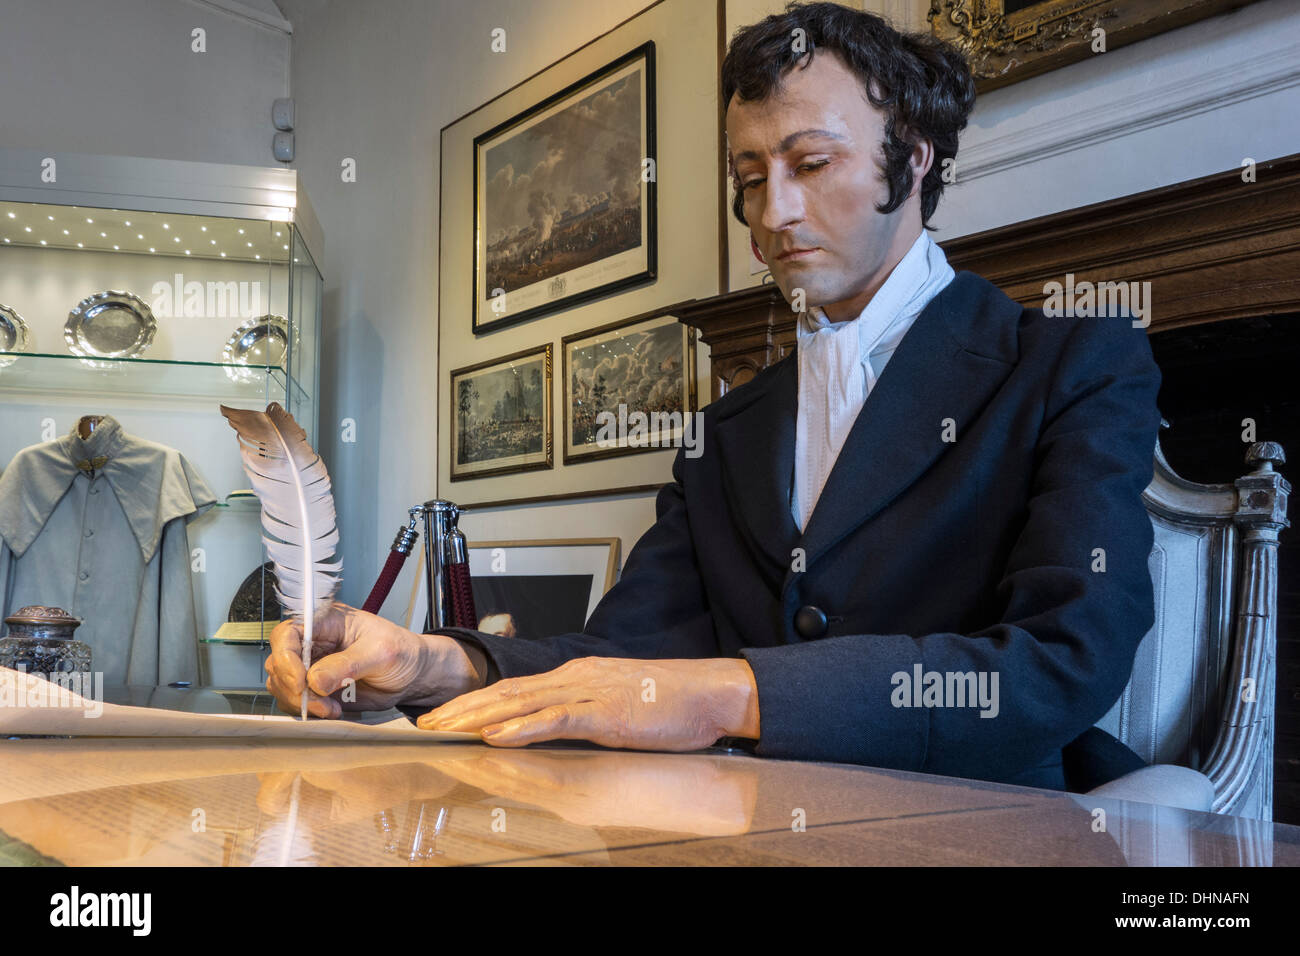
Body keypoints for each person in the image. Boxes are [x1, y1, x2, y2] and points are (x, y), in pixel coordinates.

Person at [265, 2, 1162, 792]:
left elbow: (1060, 661)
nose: (773, 215)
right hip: (739, 824)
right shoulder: (727, 431)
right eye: (749, 178)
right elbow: (617, 661)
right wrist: (429, 663)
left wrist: (724, 694)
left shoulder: (1072, 363)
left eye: (811, 163)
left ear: (915, 158)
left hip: (985, 824)